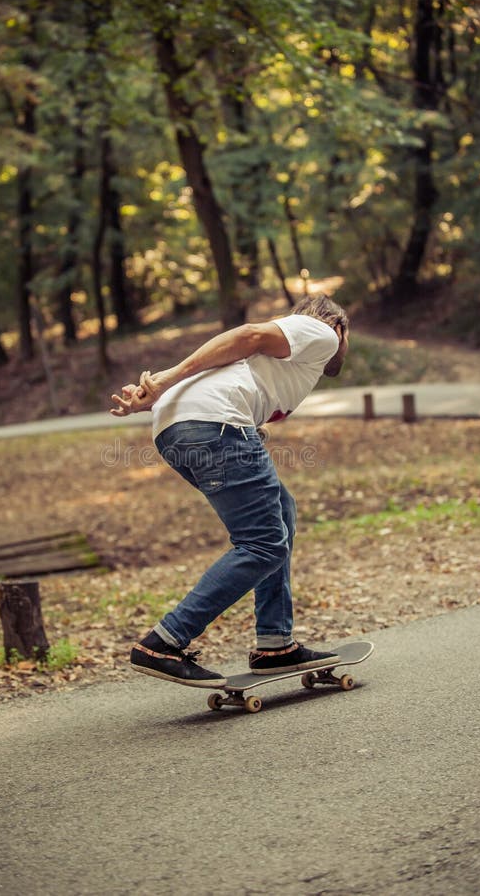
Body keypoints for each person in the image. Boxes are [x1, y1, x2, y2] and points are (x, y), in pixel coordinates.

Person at [110, 293, 349, 688]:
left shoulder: (286, 360)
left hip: (177, 430)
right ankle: (163, 642)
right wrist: (166, 378)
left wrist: (155, 395)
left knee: (281, 511)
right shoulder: (322, 332)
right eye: (348, 335)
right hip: (213, 424)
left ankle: (275, 644)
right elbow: (250, 334)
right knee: (263, 544)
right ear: (337, 325)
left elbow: (237, 371)